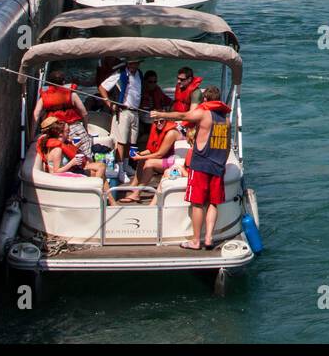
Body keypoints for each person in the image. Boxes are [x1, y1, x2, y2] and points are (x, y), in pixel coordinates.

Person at [152, 85, 230, 250]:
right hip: (218, 166)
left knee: (197, 203)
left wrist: (161, 114)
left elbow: (182, 115)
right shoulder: (226, 119)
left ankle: (195, 241)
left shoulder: (203, 113)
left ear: (206, 100)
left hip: (201, 164)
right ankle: (209, 238)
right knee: (213, 203)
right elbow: (228, 146)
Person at [31, 69, 103, 178]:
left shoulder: (44, 97)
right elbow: (84, 112)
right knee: (86, 160)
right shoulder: (71, 94)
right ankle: (91, 180)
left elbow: (36, 115)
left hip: (55, 131)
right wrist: (86, 129)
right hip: (75, 128)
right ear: (64, 82)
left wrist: (31, 136)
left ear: (49, 83)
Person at [119, 115, 182, 203]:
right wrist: (140, 154)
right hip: (167, 159)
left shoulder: (171, 133)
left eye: (161, 121)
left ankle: (137, 194)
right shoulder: (158, 130)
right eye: (156, 122)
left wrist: (141, 156)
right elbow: (151, 150)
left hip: (176, 162)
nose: (158, 124)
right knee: (143, 160)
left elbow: (160, 154)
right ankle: (134, 186)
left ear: (166, 120)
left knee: (149, 163)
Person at [98, 58, 142, 167]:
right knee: (121, 141)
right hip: (123, 111)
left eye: (135, 63)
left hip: (135, 111)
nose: (133, 65)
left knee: (130, 141)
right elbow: (102, 88)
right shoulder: (120, 74)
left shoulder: (139, 74)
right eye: (131, 63)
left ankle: (126, 166)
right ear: (127, 63)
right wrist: (109, 104)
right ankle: (120, 168)